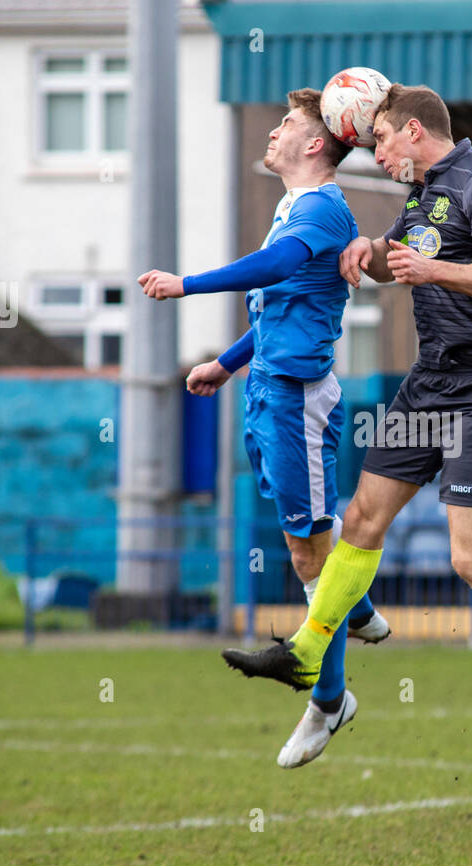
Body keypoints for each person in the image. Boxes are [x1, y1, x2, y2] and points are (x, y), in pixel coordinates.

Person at [221, 83, 472, 764]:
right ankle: (307, 653)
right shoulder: (424, 193)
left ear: (412, 131)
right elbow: (389, 259)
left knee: (470, 557)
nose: (375, 152)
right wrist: (363, 254)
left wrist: (428, 268)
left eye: (379, 140)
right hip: (428, 385)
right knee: (362, 519)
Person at [137, 87, 390, 769]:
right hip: (267, 390)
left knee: (309, 555)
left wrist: (186, 284)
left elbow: (275, 268)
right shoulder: (290, 207)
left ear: (315, 143)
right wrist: (225, 363)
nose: (272, 133)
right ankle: (358, 609)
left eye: (286, 125)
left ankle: (329, 702)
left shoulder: (322, 207)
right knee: (308, 545)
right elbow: (279, 305)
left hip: (297, 400)